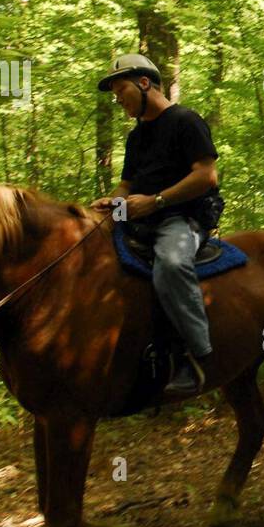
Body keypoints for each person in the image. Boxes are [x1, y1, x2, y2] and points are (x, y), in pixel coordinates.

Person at [90, 54, 222, 399]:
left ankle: (194, 354)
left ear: (144, 83)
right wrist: (112, 201)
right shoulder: (136, 138)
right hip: (138, 217)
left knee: (172, 264)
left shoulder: (186, 121)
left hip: (182, 217)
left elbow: (207, 176)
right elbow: (126, 186)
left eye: (121, 90)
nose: (118, 100)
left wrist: (157, 201)